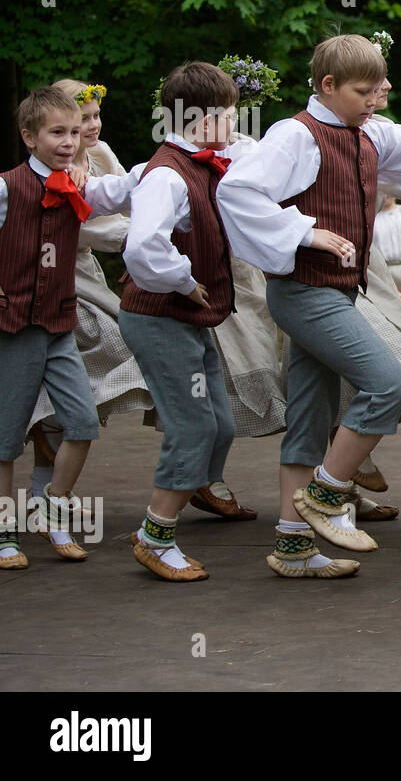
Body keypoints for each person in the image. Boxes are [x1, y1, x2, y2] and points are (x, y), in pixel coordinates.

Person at [217, 33, 401, 578]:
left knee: (310, 418)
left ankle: (292, 547)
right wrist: (305, 232)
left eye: (379, 87)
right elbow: (237, 191)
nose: (376, 97)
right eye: (363, 89)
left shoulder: (366, 132)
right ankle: (327, 497)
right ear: (327, 86)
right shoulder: (294, 136)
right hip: (305, 291)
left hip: (333, 291)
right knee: (387, 383)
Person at [1, 86, 139, 569]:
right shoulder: (7, 187)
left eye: (75, 132)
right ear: (29, 137)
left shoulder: (79, 183)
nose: (68, 141)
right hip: (15, 326)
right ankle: (3, 534)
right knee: (7, 436)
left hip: (60, 320)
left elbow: (127, 192)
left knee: (81, 423)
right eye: (57, 132)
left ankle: (51, 507)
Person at [119, 62, 242, 581]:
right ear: (203, 119)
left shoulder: (196, 162)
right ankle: (155, 535)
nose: (237, 126)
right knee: (192, 427)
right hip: (160, 316)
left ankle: (195, 484)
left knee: (220, 423)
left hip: (184, 318)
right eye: (232, 116)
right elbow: (144, 245)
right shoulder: (168, 174)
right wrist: (186, 281)